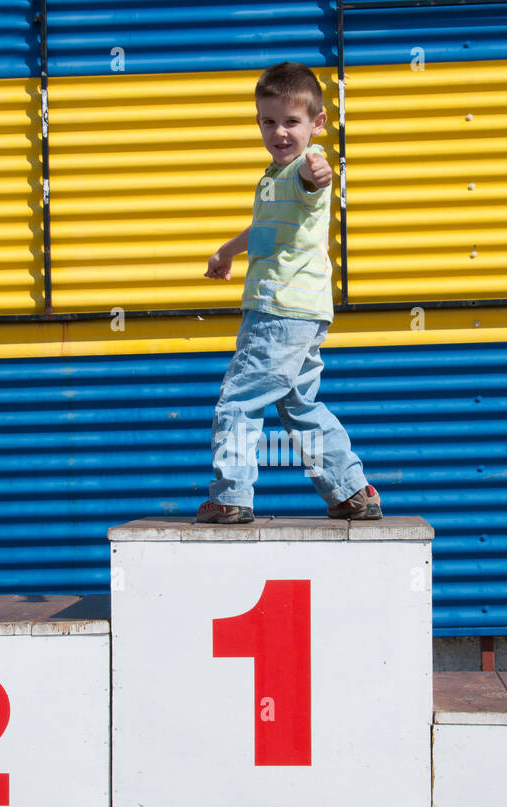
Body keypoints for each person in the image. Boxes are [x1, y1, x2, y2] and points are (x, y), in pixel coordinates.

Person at [197, 61, 381, 523]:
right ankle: (350, 491)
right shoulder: (273, 178)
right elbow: (264, 230)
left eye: (292, 122)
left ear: (317, 124)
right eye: (269, 121)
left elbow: (314, 180)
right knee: (299, 405)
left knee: (238, 400)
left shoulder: (304, 169)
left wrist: (317, 168)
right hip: (307, 312)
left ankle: (231, 496)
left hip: (277, 310)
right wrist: (226, 252)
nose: (280, 132)